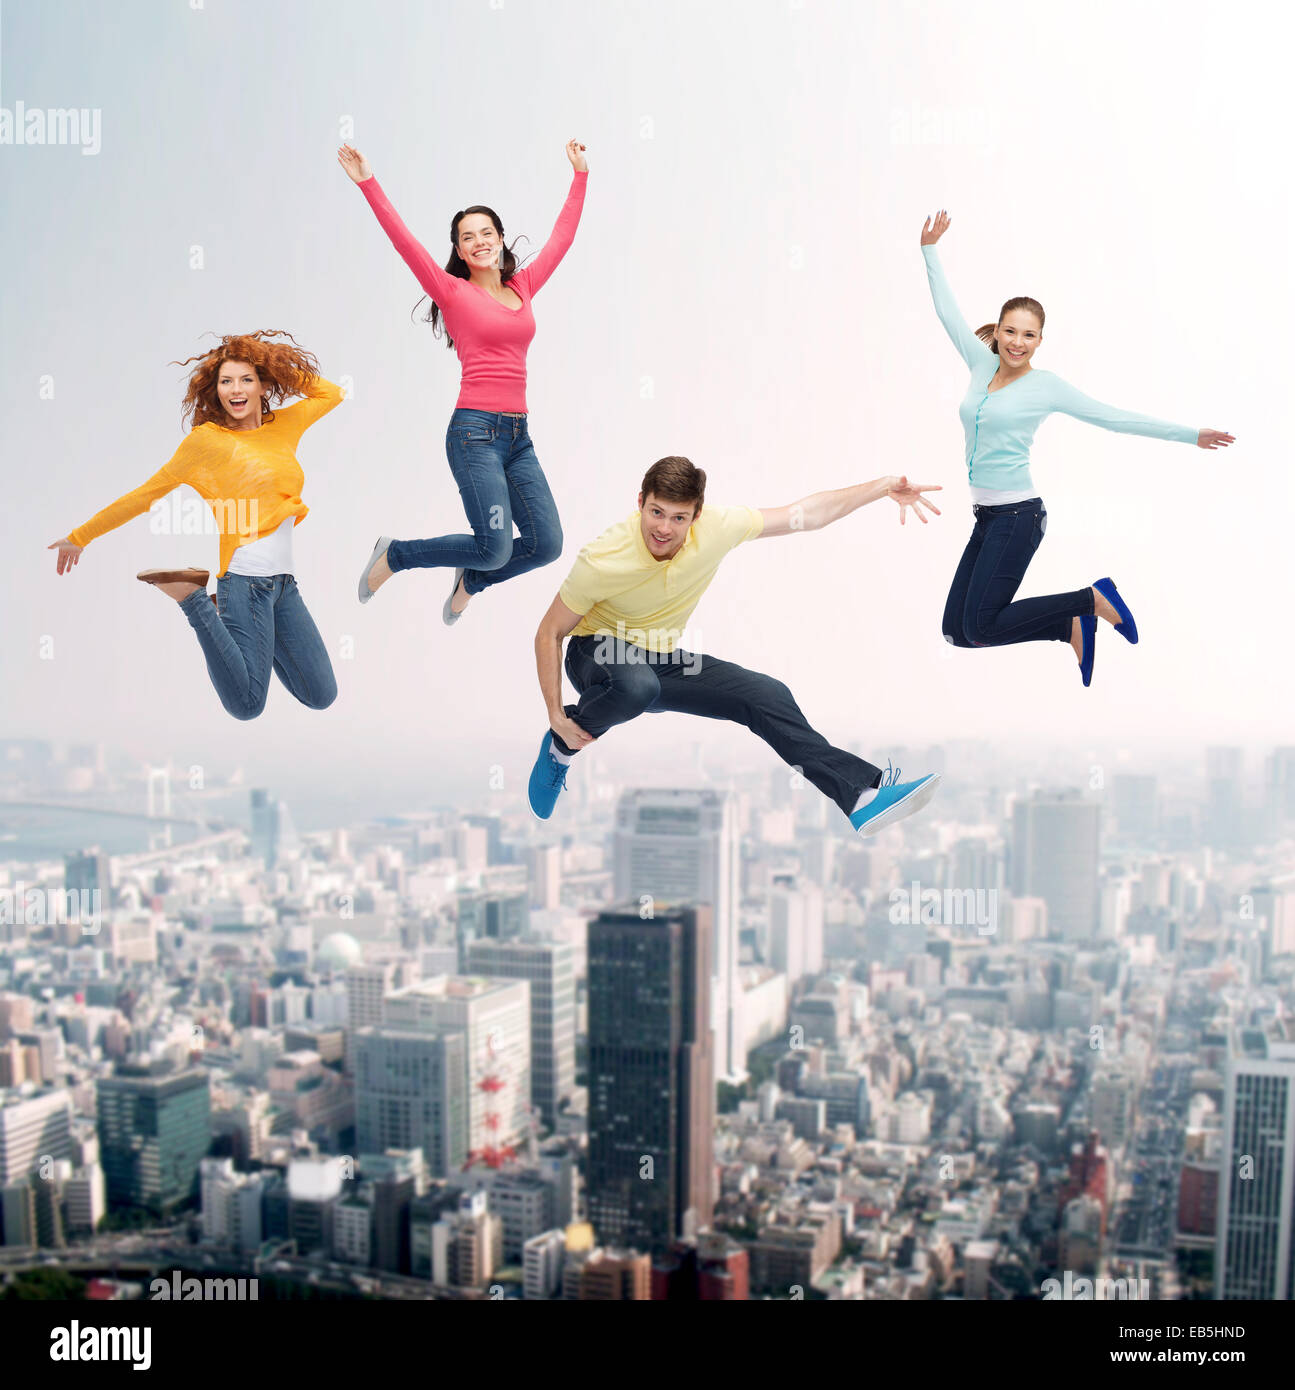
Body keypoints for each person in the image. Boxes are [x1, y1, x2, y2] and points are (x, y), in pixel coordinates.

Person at [528, 456, 943, 835]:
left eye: (678, 517)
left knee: (766, 695)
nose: (664, 528)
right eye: (655, 512)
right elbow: (549, 634)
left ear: (697, 515)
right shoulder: (603, 557)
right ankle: (561, 747)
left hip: (661, 659)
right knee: (637, 686)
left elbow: (808, 515)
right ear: (640, 501)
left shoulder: (718, 527)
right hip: (597, 650)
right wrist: (555, 713)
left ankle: (859, 796)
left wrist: (883, 486)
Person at [921, 210, 1234, 685]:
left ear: (1040, 340)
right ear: (999, 331)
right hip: (986, 520)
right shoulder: (979, 365)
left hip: (1017, 518)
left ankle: (1091, 599)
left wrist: (1190, 434)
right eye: (1010, 331)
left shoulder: (1046, 387)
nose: (1017, 342)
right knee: (956, 633)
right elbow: (947, 311)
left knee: (981, 625)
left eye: (1028, 335)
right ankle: (1068, 626)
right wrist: (929, 250)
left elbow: (1113, 417)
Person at [340, 138, 588, 624]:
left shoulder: (524, 286)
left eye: (486, 232)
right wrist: (369, 183)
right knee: (493, 546)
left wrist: (580, 174)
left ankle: (470, 579)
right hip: (474, 434)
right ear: (458, 249)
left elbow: (562, 238)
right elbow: (404, 242)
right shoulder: (451, 292)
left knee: (546, 544)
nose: (478, 241)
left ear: (500, 238)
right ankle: (395, 554)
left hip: (518, 438)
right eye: (467, 236)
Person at [50, 330, 342, 720]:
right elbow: (144, 495)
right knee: (247, 705)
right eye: (226, 381)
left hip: (284, 586)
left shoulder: (284, 426)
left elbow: (332, 394)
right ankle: (192, 598)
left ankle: (235, 623)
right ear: (215, 390)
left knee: (321, 694)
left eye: (246, 379)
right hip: (244, 581)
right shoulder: (206, 443)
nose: (235, 390)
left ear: (262, 385)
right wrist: (79, 537)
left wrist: (273, 362)